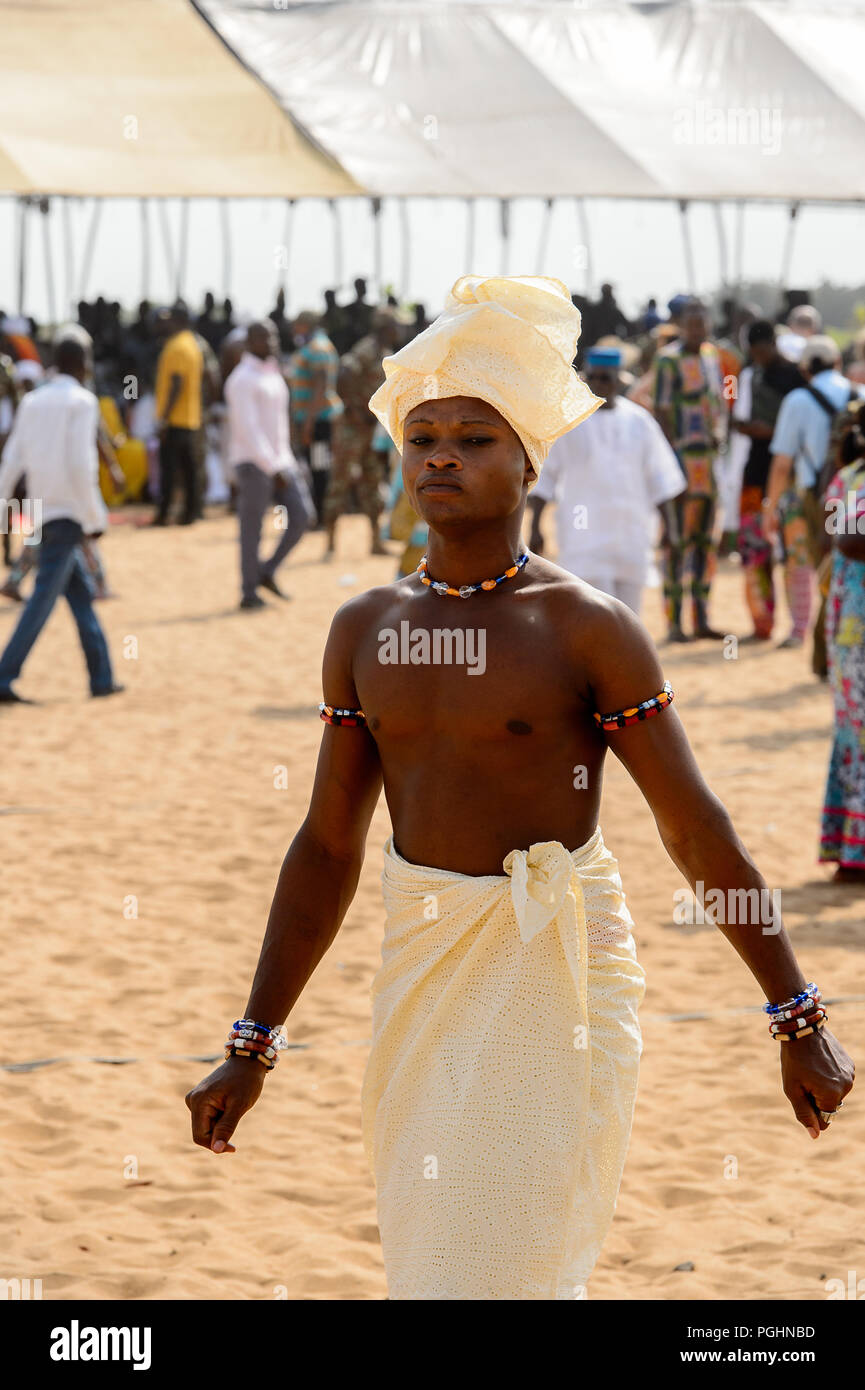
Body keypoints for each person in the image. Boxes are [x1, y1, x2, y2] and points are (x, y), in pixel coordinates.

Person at [185, 274, 853, 1302]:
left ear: (529, 461)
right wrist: (253, 1042)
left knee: (512, 1261)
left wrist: (794, 1011)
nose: (441, 454)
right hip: (423, 970)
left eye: (474, 436)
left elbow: (692, 826)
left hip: (559, 976)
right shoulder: (365, 629)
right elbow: (327, 846)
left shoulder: (584, 627)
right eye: (424, 436)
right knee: (431, 1256)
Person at [0, 337, 122, 702]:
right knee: (41, 600)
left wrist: (2, 502)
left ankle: (102, 678)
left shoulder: (33, 401)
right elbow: (80, 465)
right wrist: (94, 516)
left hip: (40, 509)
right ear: (82, 362)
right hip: (67, 513)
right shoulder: (82, 402)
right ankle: (4, 675)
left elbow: (12, 459)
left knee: (81, 595)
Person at [527, 345, 684, 616]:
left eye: (606, 378)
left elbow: (660, 477)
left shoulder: (640, 421)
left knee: (629, 618)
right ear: (585, 378)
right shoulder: (568, 423)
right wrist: (535, 527)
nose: (600, 384)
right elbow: (546, 478)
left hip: (631, 537)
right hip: (584, 540)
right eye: (594, 377)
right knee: (592, 617)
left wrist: (670, 527)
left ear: (619, 379)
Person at [764, 336, 862, 665]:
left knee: (808, 565)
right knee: (843, 567)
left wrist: (770, 506)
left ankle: (807, 635)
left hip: (814, 496)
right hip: (855, 495)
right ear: (837, 362)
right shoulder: (859, 393)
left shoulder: (797, 400)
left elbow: (781, 463)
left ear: (805, 370)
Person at [224, 320, 316, 609]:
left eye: (275, 336)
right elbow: (248, 429)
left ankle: (267, 571)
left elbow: (278, 425)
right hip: (253, 464)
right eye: (265, 337)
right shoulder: (241, 379)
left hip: (281, 461)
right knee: (252, 530)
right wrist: (272, 466)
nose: (273, 342)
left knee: (302, 516)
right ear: (250, 342)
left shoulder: (273, 373)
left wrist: (286, 461)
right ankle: (248, 592)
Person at [653, 300, 725, 641]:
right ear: (681, 325)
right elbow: (662, 412)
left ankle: (702, 619)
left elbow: (717, 404)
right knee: (677, 543)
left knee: (704, 543)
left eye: (703, 323)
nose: (699, 330)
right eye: (692, 324)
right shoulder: (668, 359)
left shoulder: (712, 356)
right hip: (681, 464)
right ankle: (674, 623)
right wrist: (670, 464)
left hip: (708, 466)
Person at [730, 321, 804, 640]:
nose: (758, 358)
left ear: (774, 343)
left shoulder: (795, 376)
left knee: (792, 554)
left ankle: (797, 626)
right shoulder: (749, 374)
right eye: (754, 353)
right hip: (754, 474)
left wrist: (769, 431)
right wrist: (746, 427)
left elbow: (797, 430)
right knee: (754, 552)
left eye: (762, 351)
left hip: (787, 476)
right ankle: (762, 623)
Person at [819, 403, 865, 878]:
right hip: (856, 621)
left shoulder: (846, 475)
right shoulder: (853, 477)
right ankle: (854, 854)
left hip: (848, 618)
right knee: (858, 728)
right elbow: (848, 539)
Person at [322, 307, 402, 557]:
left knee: (372, 483)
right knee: (340, 483)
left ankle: (375, 542)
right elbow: (344, 374)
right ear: (385, 328)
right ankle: (330, 544)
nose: (399, 330)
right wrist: (353, 409)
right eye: (395, 326)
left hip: (369, 429)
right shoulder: (366, 350)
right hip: (352, 430)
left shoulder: (385, 353)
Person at [151, 303, 204, 526]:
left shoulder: (177, 346)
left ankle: (165, 514)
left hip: (175, 420)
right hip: (191, 418)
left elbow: (176, 383)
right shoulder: (193, 344)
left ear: (178, 320)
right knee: (190, 469)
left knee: (170, 470)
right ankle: (191, 512)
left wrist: (163, 419)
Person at [289, 311, 343, 523]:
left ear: (305, 325)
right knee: (316, 466)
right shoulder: (316, 345)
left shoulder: (317, 348)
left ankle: (320, 515)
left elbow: (320, 386)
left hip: (318, 421)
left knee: (319, 467)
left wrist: (308, 424)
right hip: (315, 420)